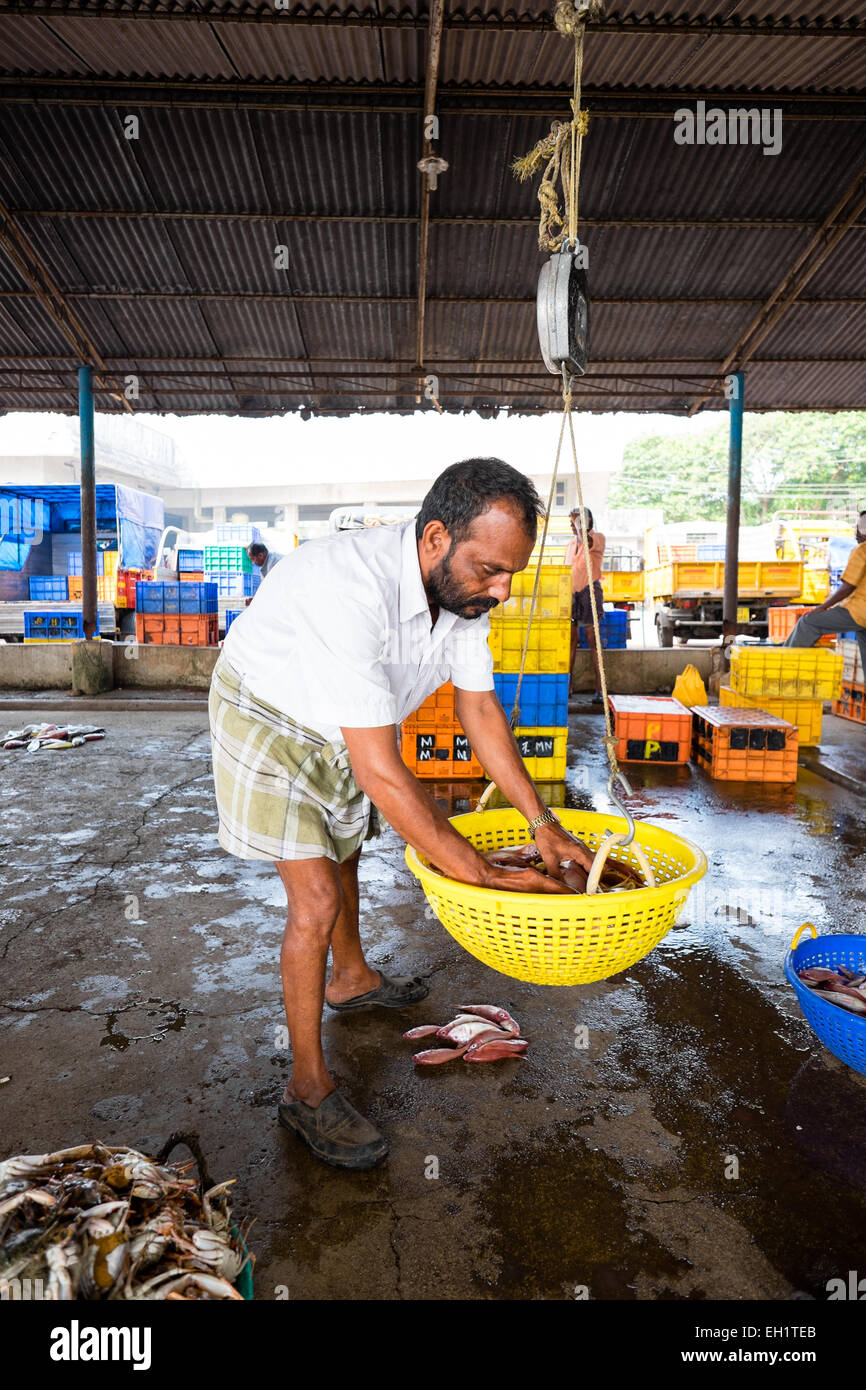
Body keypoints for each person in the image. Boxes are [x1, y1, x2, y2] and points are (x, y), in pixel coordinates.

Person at [209, 458, 596, 1171]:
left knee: (347, 847)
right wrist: (478, 872)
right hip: (270, 713)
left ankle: (351, 979)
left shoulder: (464, 597)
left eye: (510, 572)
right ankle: (305, 1086)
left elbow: (479, 709)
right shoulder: (347, 586)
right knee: (315, 896)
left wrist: (542, 821)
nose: (502, 589)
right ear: (435, 539)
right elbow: (381, 771)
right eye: (489, 570)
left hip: (350, 722)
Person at [785, 511, 866, 674]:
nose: (855, 534)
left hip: (859, 611)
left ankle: (786, 667)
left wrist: (822, 607)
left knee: (808, 622)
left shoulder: (862, 550)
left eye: (857, 529)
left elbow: (848, 586)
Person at [565, 507, 606, 704]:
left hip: (589, 592)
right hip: (571, 595)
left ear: (587, 521)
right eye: (571, 522)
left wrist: (581, 526)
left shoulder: (597, 538)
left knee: (593, 640)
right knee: (571, 641)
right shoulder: (570, 544)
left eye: (577, 522)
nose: (574, 526)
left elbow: (587, 542)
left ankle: (600, 688)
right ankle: (568, 686)